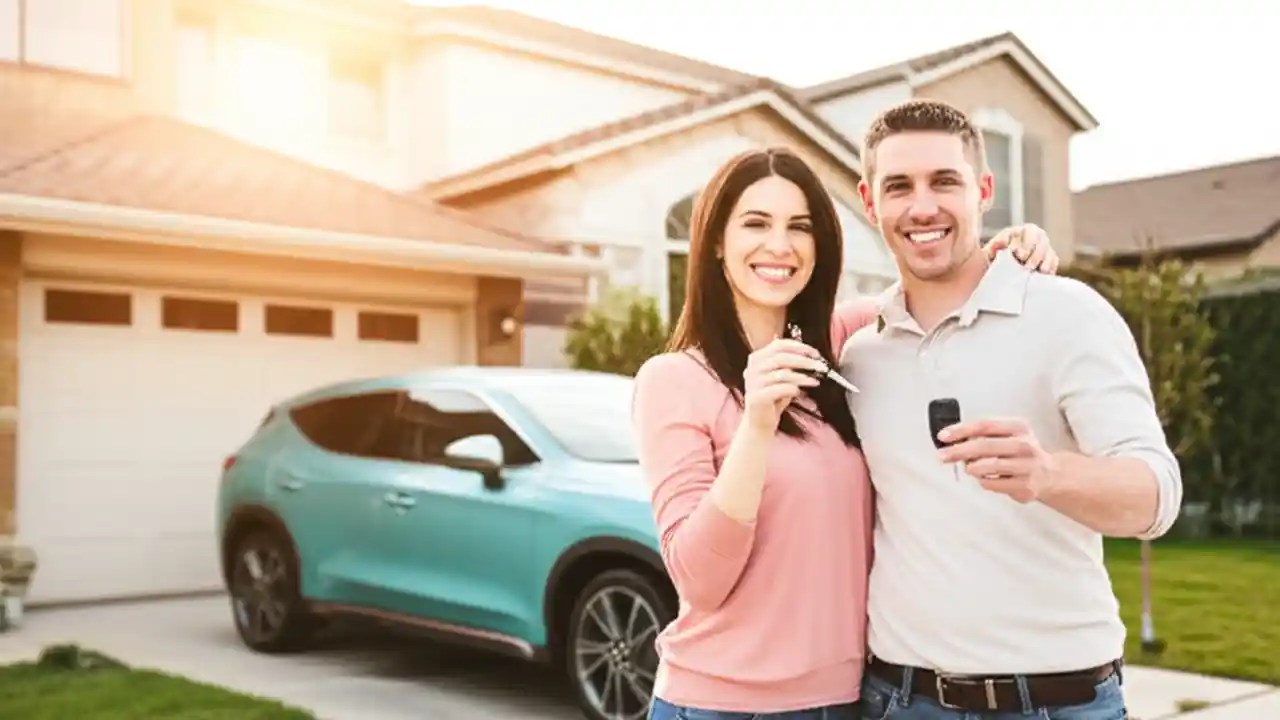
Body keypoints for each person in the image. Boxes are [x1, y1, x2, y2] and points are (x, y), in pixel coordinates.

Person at [631, 145, 1061, 720]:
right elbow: (699, 579)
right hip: (720, 705)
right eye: (756, 223)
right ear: (715, 242)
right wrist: (757, 423)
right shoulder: (675, 380)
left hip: (846, 701)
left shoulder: (845, 340)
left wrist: (1008, 248)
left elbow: (939, 291)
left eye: (800, 227)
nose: (780, 245)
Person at [839, 99, 1182, 720]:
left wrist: (1048, 475)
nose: (922, 207)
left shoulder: (1067, 313)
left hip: (1058, 701)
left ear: (984, 191)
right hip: (901, 700)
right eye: (899, 187)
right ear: (869, 201)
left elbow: (1157, 497)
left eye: (945, 181)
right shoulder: (860, 353)